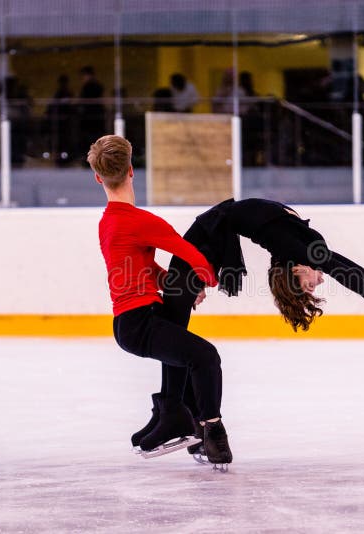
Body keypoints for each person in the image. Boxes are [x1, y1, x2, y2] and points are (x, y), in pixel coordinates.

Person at [138, 198, 364, 460]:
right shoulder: (296, 252)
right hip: (211, 232)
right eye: (311, 286)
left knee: (176, 324)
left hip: (210, 234)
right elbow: (342, 268)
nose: (319, 282)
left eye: (309, 285)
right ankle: (174, 412)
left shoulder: (293, 253)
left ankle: (177, 413)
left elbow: (338, 267)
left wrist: (198, 278)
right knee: (176, 324)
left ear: (295, 270)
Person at [87, 134, 234, 467]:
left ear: (98, 178)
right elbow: (192, 254)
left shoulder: (108, 223)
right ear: (131, 171)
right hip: (143, 322)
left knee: (185, 353)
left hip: (129, 323)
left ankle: (172, 414)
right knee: (206, 358)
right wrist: (208, 280)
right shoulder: (142, 221)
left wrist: (172, 281)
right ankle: (212, 430)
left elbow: (143, 268)